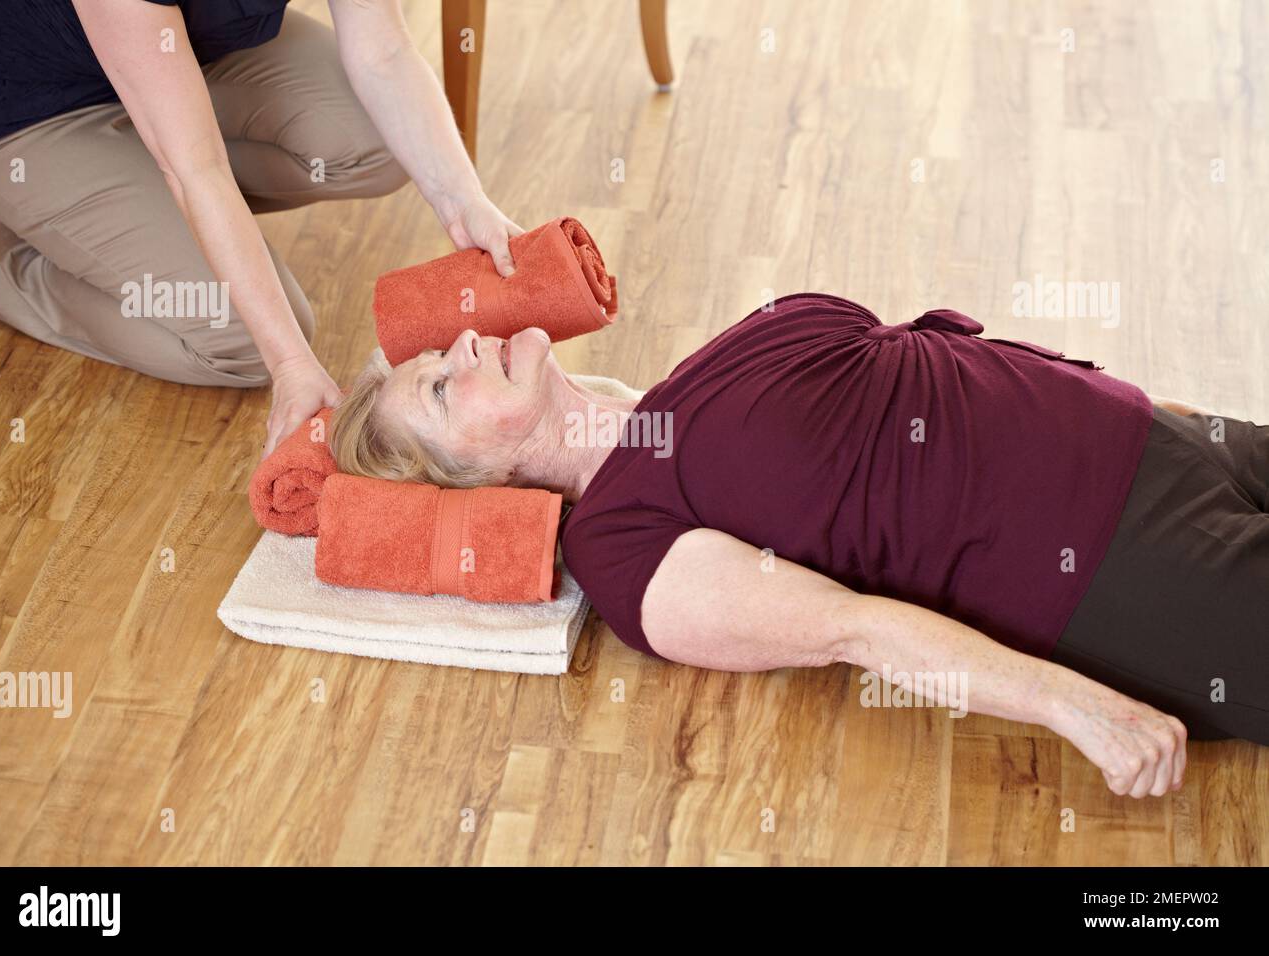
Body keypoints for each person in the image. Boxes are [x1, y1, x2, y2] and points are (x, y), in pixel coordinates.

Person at [327, 292, 1269, 800]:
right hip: (1122, 570)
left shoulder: (695, 374)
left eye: (436, 358)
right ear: (478, 483)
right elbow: (852, 631)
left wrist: (1167, 417)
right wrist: (1077, 708)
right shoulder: (625, 549)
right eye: (440, 392)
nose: (459, 346)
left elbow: (963, 368)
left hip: (1171, 442)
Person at [0, 0, 522, 456]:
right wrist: (288, 362)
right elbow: (196, 171)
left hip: (180, 57)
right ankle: (2, 261)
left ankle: (115, 200)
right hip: (29, 112)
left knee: (377, 145)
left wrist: (463, 201)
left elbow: (385, 53)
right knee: (241, 340)